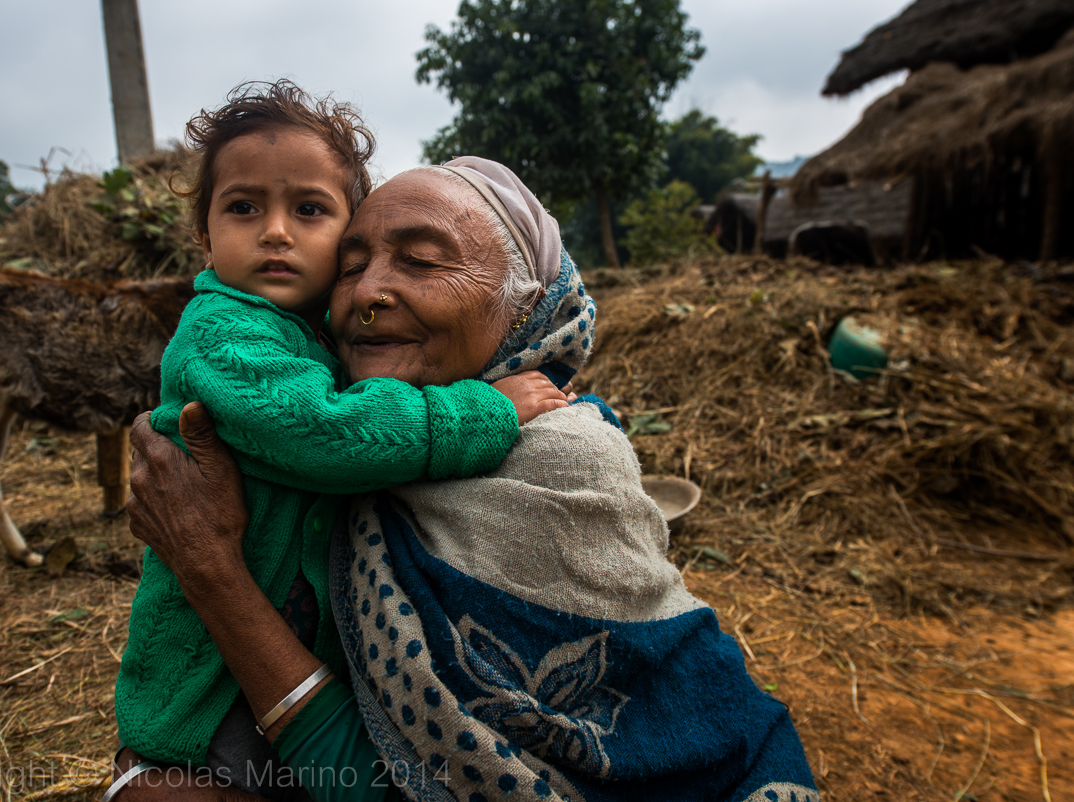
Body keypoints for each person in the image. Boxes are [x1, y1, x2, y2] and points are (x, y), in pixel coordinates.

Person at [114, 158, 820, 802]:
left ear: (527, 307)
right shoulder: (342, 421)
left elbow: (394, 789)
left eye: (421, 261)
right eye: (350, 267)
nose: (368, 293)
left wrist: (210, 568)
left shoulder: (559, 462)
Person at [113, 83, 569, 778]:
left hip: (290, 675)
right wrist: (485, 410)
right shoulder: (223, 335)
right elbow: (325, 434)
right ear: (204, 236)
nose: (275, 232)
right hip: (213, 699)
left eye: (309, 210)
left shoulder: (316, 332)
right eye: (243, 207)